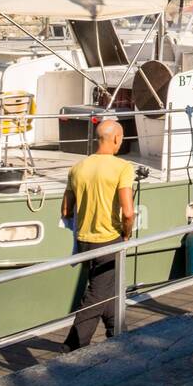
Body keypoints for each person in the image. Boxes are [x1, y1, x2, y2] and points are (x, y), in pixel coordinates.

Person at [61, 119, 135, 350]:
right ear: (116, 139)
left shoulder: (77, 168)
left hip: (84, 241)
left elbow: (65, 209)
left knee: (107, 288)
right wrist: (126, 234)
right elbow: (128, 212)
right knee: (96, 293)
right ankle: (73, 345)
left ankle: (117, 332)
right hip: (108, 239)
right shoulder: (123, 167)